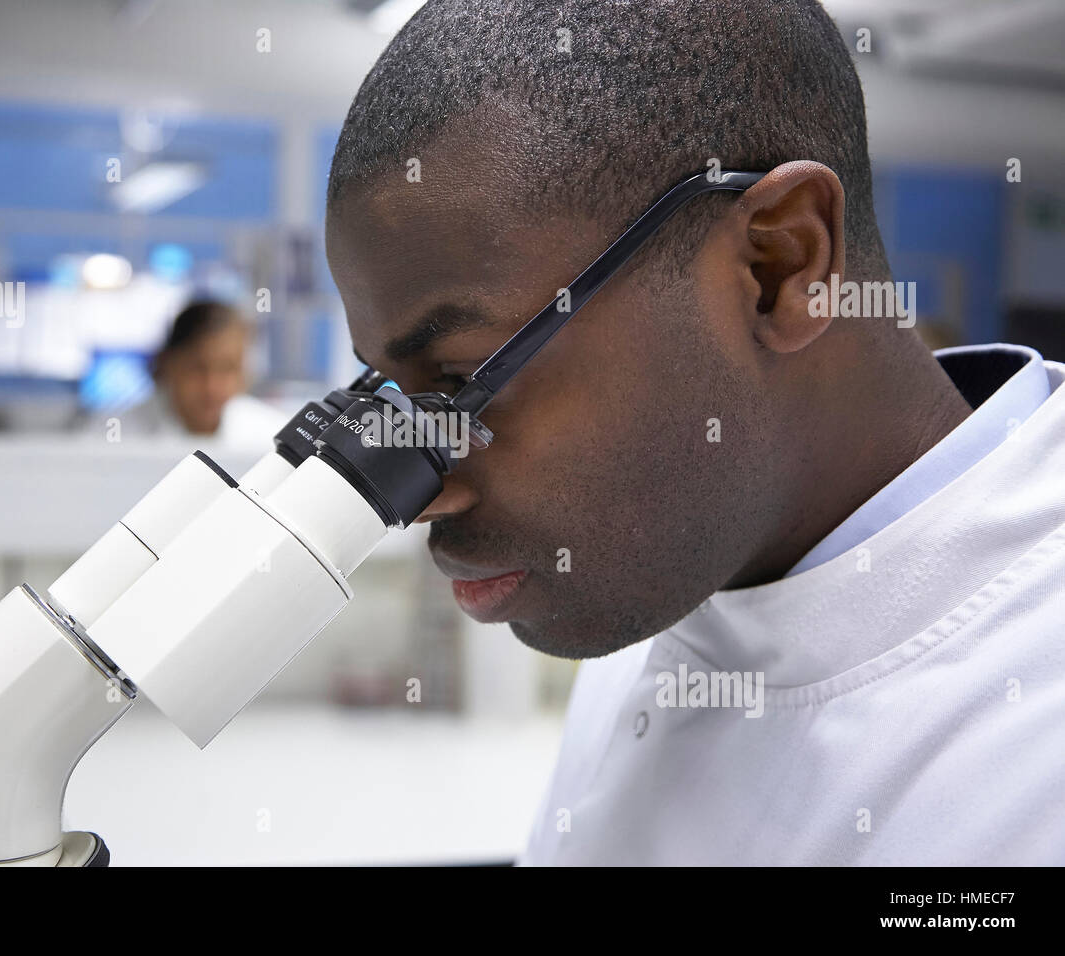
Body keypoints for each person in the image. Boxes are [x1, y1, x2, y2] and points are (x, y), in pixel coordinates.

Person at [323, 0, 1065, 864]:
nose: (421, 497)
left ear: (780, 268)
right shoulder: (664, 569)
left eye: (459, 382)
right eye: (389, 391)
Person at [123, 299, 286, 442]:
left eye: (227, 368)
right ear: (168, 365)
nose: (212, 387)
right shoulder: (116, 438)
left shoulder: (272, 438)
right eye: (197, 368)